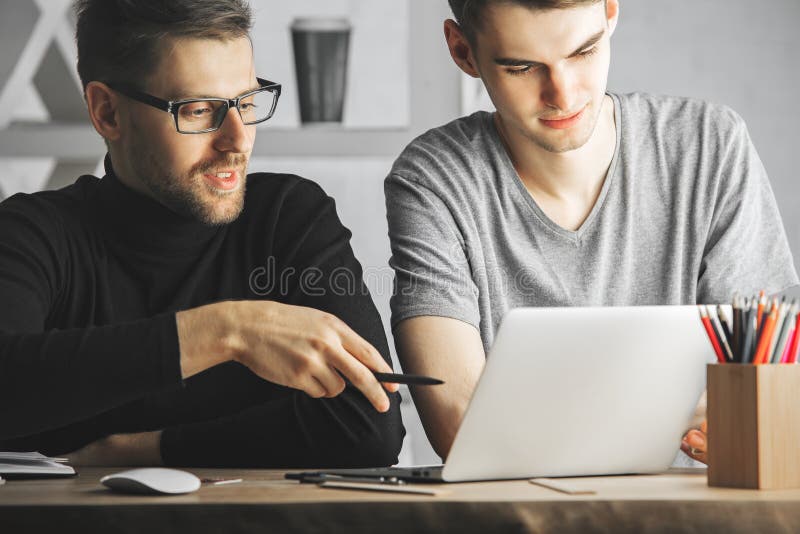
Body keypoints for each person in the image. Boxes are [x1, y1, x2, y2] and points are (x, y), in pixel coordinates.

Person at [385, 0, 797, 461]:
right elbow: (463, 428)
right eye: (521, 67)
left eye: (583, 52)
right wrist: (688, 407)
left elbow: (772, 395)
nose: (562, 94)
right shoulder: (433, 179)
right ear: (463, 52)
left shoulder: (710, 147)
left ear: (610, 12)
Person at [0, 0, 404, 468]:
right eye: (197, 111)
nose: (238, 140)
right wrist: (225, 331)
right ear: (107, 111)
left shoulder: (288, 218)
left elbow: (369, 425)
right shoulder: (34, 233)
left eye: (247, 103)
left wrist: (145, 450)